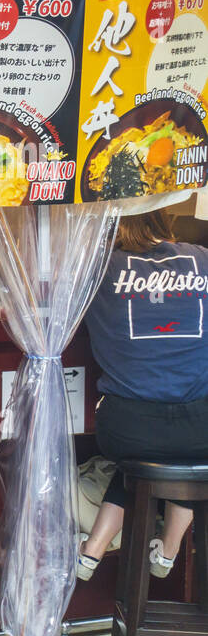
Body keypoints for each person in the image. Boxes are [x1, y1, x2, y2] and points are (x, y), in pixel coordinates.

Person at [77, 208, 207, 581]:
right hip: (201, 428)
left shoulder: (98, 267)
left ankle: (91, 552)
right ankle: (167, 550)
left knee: (143, 454)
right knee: (187, 450)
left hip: (126, 429)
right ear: (163, 217)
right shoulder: (202, 258)